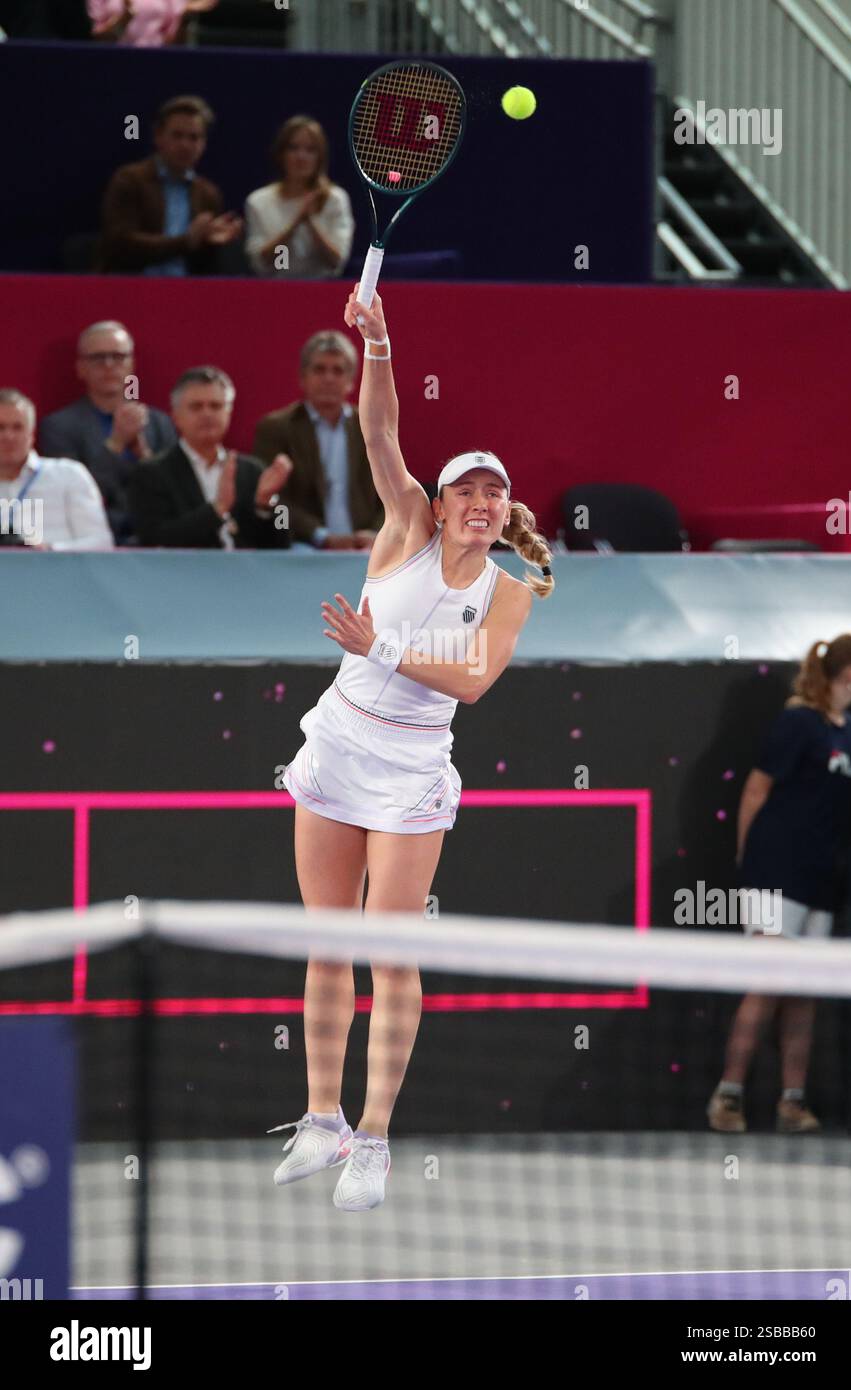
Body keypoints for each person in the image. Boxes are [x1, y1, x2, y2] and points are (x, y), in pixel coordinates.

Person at [268, 286, 554, 1212]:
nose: (479, 500)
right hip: (340, 740)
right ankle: (321, 1119)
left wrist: (380, 646)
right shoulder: (403, 527)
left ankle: (377, 1138)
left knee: (390, 953)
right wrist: (381, 343)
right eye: (464, 489)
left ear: (507, 514)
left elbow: (471, 682)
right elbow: (381, 435)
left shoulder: (512, 590)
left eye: (493, 492)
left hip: (411, 769)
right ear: (438, 503)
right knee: (328, 940)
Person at [707, 634, 851, 1135]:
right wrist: (746, 857)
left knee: (804, 994)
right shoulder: (797, 720)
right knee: (769, 982)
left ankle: (791, 1103)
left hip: (822, 879)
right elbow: (757, 788)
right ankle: (727, 1097)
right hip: (775, 872)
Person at [37, 321, 175, 544]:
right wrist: (115, 444)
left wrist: (145, 456)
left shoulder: (159, 423)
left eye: (118, 357)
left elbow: (173, 494)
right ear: (81, 368)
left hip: (154, 538)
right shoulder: (58, 426)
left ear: (131, 365)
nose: (109, 365)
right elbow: (68, 496)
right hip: (92, 538)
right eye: (98, 358)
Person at [127, 367, 291, 549]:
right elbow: (153, 538)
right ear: (176, 417)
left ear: (229, 413)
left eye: (216, 406)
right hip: (184, 574)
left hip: (246, 574)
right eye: (196, 407)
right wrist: (216, 510)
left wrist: (267, 505)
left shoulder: (252, 470)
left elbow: (283, 541)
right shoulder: (151, 473)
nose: (207, 414)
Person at [252, 330, 383, 551]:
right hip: (303, 544)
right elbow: (272, 498)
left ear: (351, 381)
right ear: (303, 377)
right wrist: (320, 535)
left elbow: (393, 489)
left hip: (366, 546)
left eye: (338, 370)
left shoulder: (373, 427)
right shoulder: (276, 428)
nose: (329, 378)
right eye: (319, 369)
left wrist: (375, 533)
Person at [99, 95, 242, 275]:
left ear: (204, 144)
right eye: (177, 135)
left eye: (194, 138)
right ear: (158, 137)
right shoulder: (130, 179)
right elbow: (120, 244)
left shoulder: (208, 193)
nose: (185, 145)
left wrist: (216, 240)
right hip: (132, 287)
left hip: (186, 293)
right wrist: (186, 241)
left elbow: (204, 265)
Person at [0, 389, 113, 550]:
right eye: (0, 428)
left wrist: (49, 550)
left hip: (58, 571)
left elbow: (101, 543)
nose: (8, 436)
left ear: (31, 434)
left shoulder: (68, 475)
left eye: (17, 427)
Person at [244, 116, 354, 280]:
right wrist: (296, 223)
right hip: (275, 291)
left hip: (323, 291)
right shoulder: (259, 201)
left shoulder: (335, 199)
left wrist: (310, 222)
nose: (301, 157)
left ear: (320, 157)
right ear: (281, 154)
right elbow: (261, 264)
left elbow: (336, 262)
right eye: (293, 148)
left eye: (310, 150)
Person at [88, 0, 217, 46]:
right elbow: (98, 39)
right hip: (112, 62)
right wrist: (124, 19)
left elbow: (174, 44)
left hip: (155, 61)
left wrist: (185, 17)